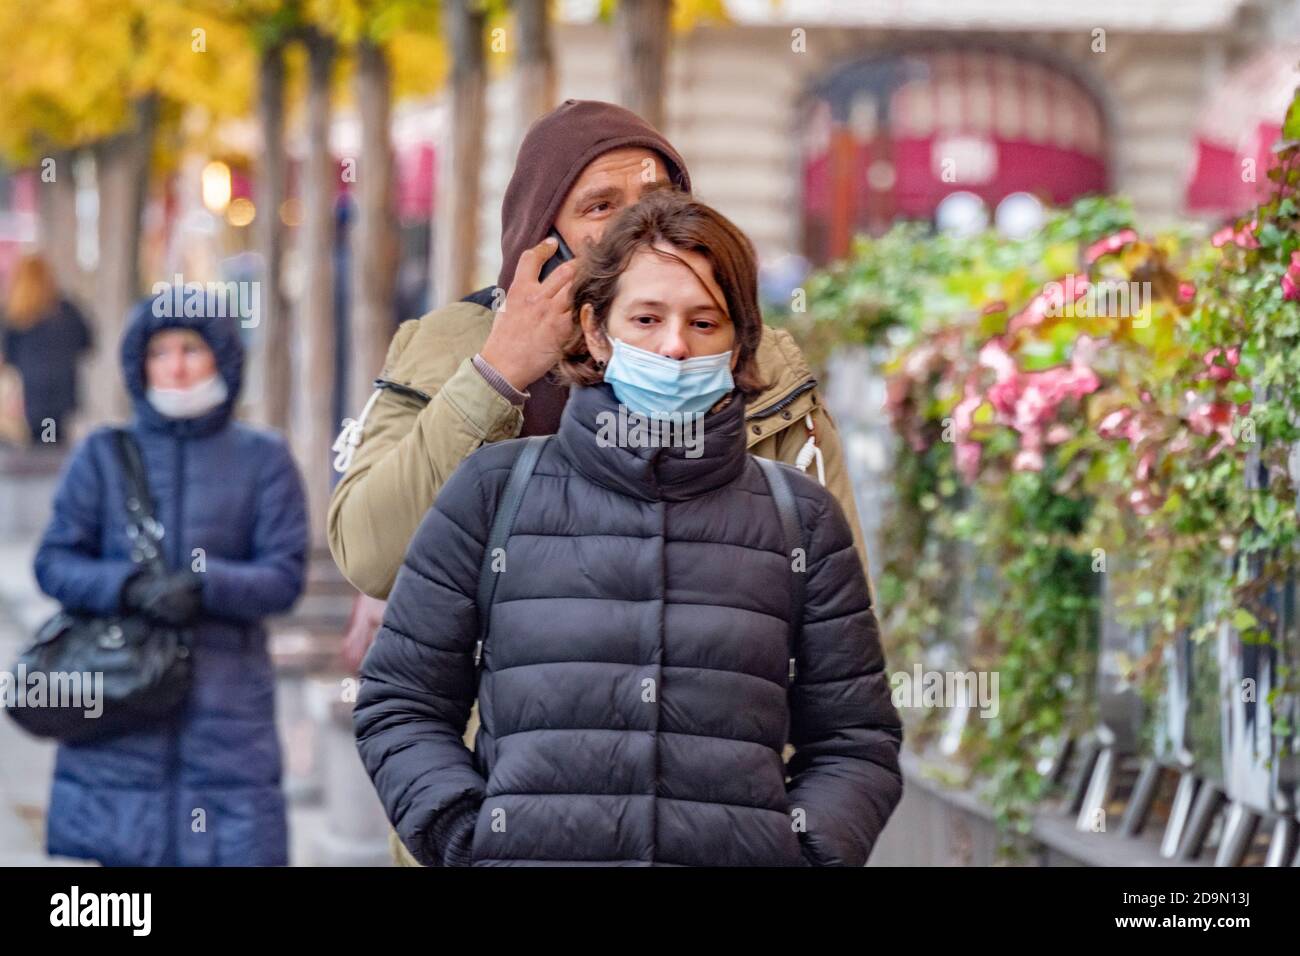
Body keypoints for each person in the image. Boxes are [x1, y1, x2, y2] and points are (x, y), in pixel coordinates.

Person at [354, 189, 903, 867]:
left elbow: (856, 740)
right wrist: (469, 842)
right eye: (646, 318)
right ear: (596, 331)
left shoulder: (799, 517)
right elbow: (401, 704)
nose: (674, 347)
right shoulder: (495, 492)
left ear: (740, 343)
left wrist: (804, 852)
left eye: (705, 323)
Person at [327, 99, 873, 605]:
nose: (636, 228)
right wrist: (497, 374)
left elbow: (839, 613)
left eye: (658, 201)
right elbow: (372, 560)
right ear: (540, 241)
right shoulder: (449, 349)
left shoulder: (761, 368)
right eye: (600, 207)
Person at [33, 292, 308, 866]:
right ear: (140, 365)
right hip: (120, 704)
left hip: (227, 713)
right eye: (160, 352)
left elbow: (283, 577)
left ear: (222, 358)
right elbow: (55, 563)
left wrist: (208, 586)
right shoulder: (102, 457)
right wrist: (128, 588)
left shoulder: (264, 458)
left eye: (191, 348)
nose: (176, 365)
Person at [0, 253, 93, 444]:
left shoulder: (16, 314)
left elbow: (8, 355)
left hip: (30, 395)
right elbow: (87, 342)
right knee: (52, 445)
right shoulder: (66, 310)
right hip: (62, 393)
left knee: (38, 448)